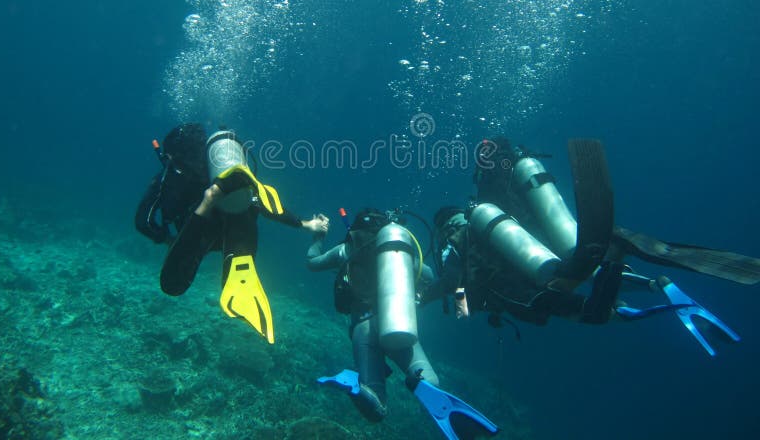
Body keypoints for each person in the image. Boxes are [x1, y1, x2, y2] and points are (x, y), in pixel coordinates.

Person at [422, 137, 760, 356]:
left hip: (529, 280)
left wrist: (446, 304)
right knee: (582, 262)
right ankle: (656, 283)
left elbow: (455, 285)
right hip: (558, 251)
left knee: (560, 304)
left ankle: (612, 300)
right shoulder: (508, 207)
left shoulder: (459, 237)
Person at [310, 208, 498, 439]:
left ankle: (358, 388)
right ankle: (419, 382)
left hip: (362, 327)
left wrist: (318, 238)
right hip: (396, 319)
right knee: (429, 379)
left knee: (376, 406)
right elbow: (429, 275)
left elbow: (312, 262)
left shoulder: (345, 251)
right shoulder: (396, 250)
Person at [136, 124, 328, 343]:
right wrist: (305, 224)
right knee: (249, 201)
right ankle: (227, 195)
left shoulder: (166, 178)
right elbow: (266, 207)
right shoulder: (212, 168)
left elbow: (143, 222)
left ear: (171, 155)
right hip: (235, 225)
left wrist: (167, 239)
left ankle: (209, 201)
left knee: (230, 208)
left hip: (200, 230)